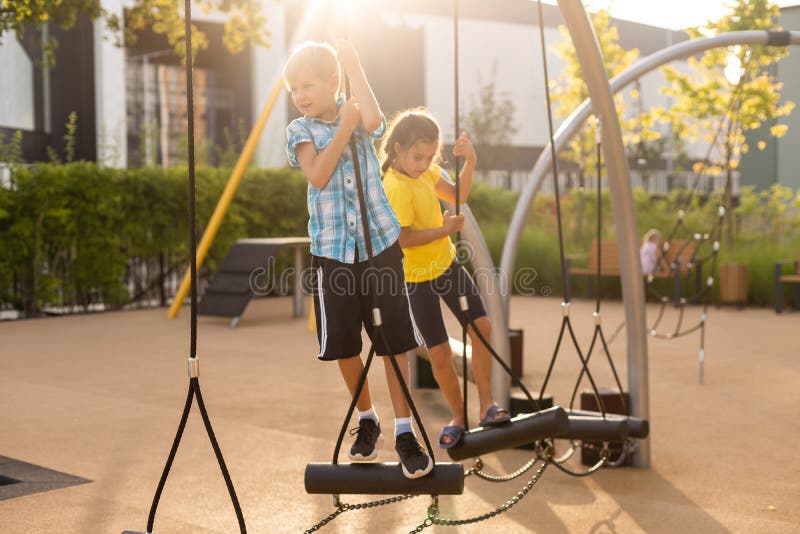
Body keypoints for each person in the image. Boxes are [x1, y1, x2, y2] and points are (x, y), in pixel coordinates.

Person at [283, 41, 432, 479]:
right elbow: (317, 173)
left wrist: (353, 62)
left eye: (308, 85)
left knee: (394, 340)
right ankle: (367, 418)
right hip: (332, 250)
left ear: (332, 83)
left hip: (379, 243)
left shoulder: (355, 111)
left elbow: (372, 120)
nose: (300, 94)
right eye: (294, 88)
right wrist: (344, 126)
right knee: (344, 345)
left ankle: (405, 431)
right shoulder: (299, 130)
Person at [380, 108, 511, 449]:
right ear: (397, 150)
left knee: (481, 327)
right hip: (416, 280)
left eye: (429, 156)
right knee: (438, 352)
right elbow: (403, 240)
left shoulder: (425, 173)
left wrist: (470, 161)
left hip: (446, 267)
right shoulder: (395, 187)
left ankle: (487, 405)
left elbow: (457, 196)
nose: (424, 164)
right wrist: (445, 228)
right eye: (417, 156)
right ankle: (458, 416)